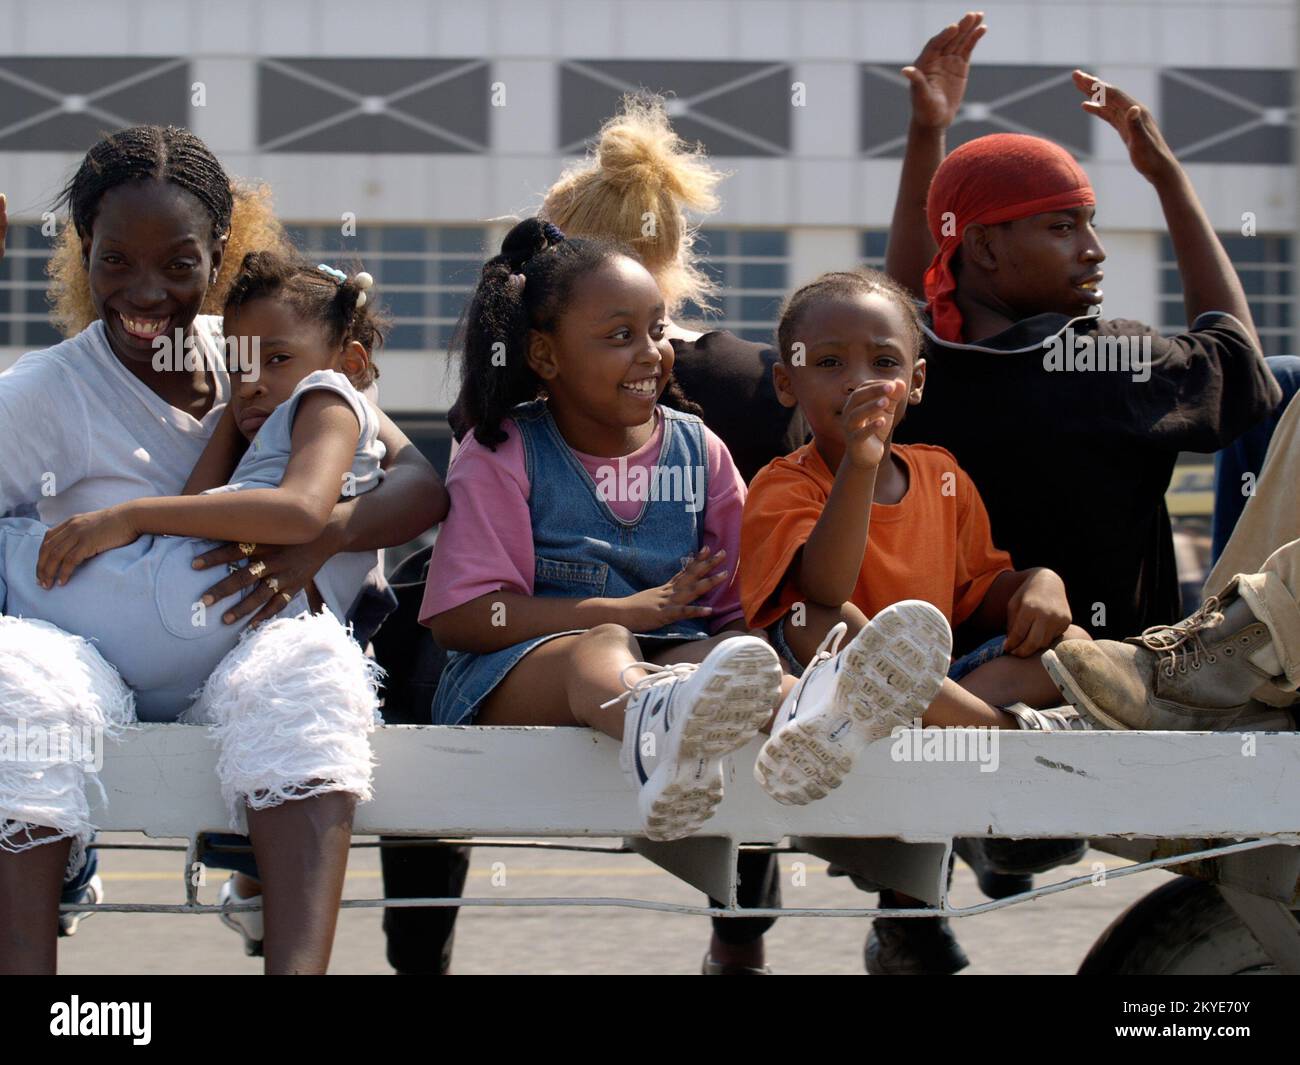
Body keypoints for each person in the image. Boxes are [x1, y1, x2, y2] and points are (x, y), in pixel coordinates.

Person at [0, 126, 445, 975]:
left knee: (313, 667)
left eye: (178, 262)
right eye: (115, 261)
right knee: (16, 679)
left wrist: (323, 539)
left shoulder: (261, 345)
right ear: (83, 253)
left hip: (232, 653)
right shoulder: (41, 393)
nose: (145, 290)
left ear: (220, 255)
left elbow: (419, 478)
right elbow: (205, 503)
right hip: (91, 655)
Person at [421, 219, 953, 842]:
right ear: (545, 355)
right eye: (620, 336)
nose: (651, 352)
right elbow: (462, 618)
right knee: (603, 644)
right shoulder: (504, 451)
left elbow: (735, 614)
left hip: (674, 668)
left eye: (656, 328)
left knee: (737, 658)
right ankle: (660, 730)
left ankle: (818, 719)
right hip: (518, 681)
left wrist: (758, 660)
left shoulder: (698, 449)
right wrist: (623, 611)